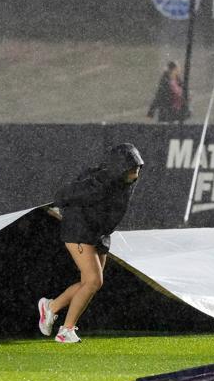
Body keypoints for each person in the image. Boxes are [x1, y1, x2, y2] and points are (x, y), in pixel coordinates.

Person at [36, 143, 143, 344]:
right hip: (80, 231)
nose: (135, 172)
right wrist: (59, 203)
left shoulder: (124, 182)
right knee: (94, 281)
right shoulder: (100, 181)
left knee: (90, 283)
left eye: (137, 167)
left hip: (98, 232)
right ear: (119, 168)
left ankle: (51, 307)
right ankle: (65, 330)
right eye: (131, 167)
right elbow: (66, 194)